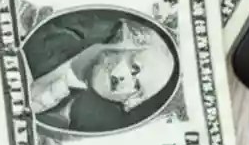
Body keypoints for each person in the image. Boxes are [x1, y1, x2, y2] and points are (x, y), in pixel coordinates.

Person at [25, 12, 176, 133]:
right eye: (134, 68)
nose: (126, 83)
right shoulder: (71, 24)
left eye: (137, 88)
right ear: (130, 43)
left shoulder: (78, 124)